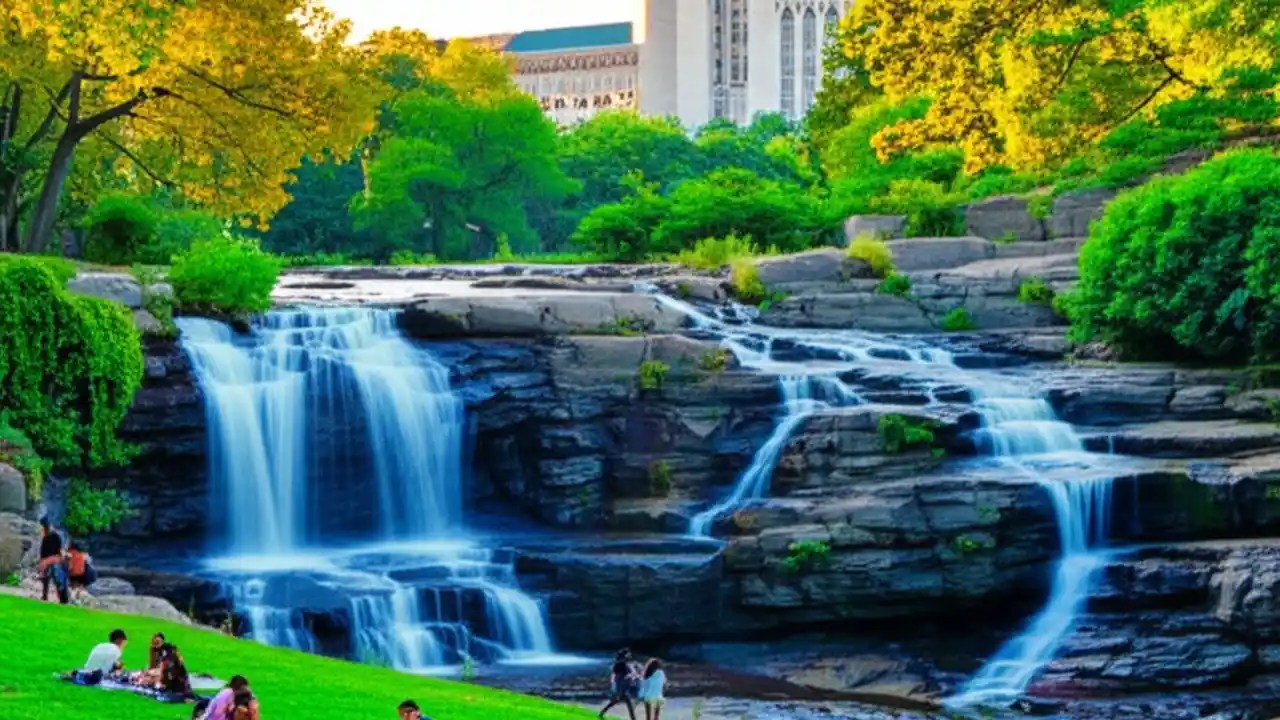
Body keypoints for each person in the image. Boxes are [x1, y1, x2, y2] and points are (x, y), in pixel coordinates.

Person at [599, 648, 638, 720]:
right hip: (622, 687)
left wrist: (631, 677)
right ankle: (633, 719)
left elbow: (617, 676)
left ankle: (602, 713)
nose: (630, 656)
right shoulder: (621, 665)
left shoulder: (621, 664)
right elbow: (620, 677)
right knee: (627, 703)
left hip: (621, 687)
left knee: (616, 701)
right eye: (628, 654)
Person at [37, 517, 67, 604]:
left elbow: (45, 552)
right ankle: (51, 596)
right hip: (52, 560)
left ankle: (48, 595)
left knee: (52, 577)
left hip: (52, 560)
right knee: (54, 578)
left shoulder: (51, 537)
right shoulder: (51, 537)